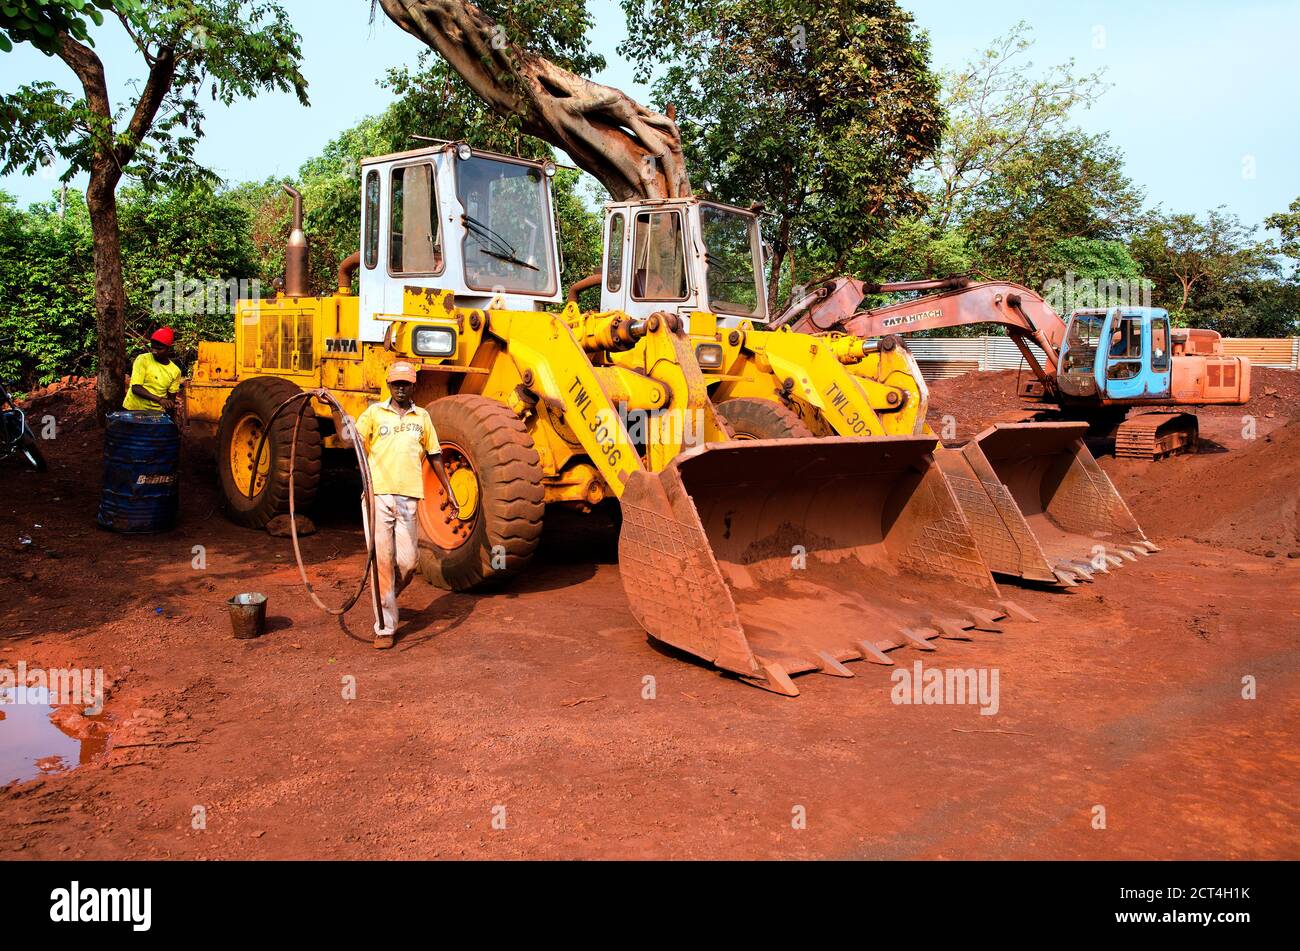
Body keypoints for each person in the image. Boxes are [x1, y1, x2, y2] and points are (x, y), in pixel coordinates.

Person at [338, 363, 461, 650]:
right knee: (382, 562)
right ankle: (384, 627)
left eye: (406, 383)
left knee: (407, 563)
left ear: (413, 386)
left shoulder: (423, 418)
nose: (401, 388)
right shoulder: (374, 413)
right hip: (378, 496)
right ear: (389, 385)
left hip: (408, 498)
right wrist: (337, 410)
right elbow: (348, 441)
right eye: (396, 384)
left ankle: (386, 598)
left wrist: (450, 490)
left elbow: (434, 455)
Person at [123, 327, 182, 415]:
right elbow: (136, 388)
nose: (154, 351)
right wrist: (160, 400)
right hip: (133, 409)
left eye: (159, 349)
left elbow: (170, 400)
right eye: (153, 348)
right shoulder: (143, 359)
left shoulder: (175, 371)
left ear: (168, 349)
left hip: (156, 414)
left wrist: (171, 418)